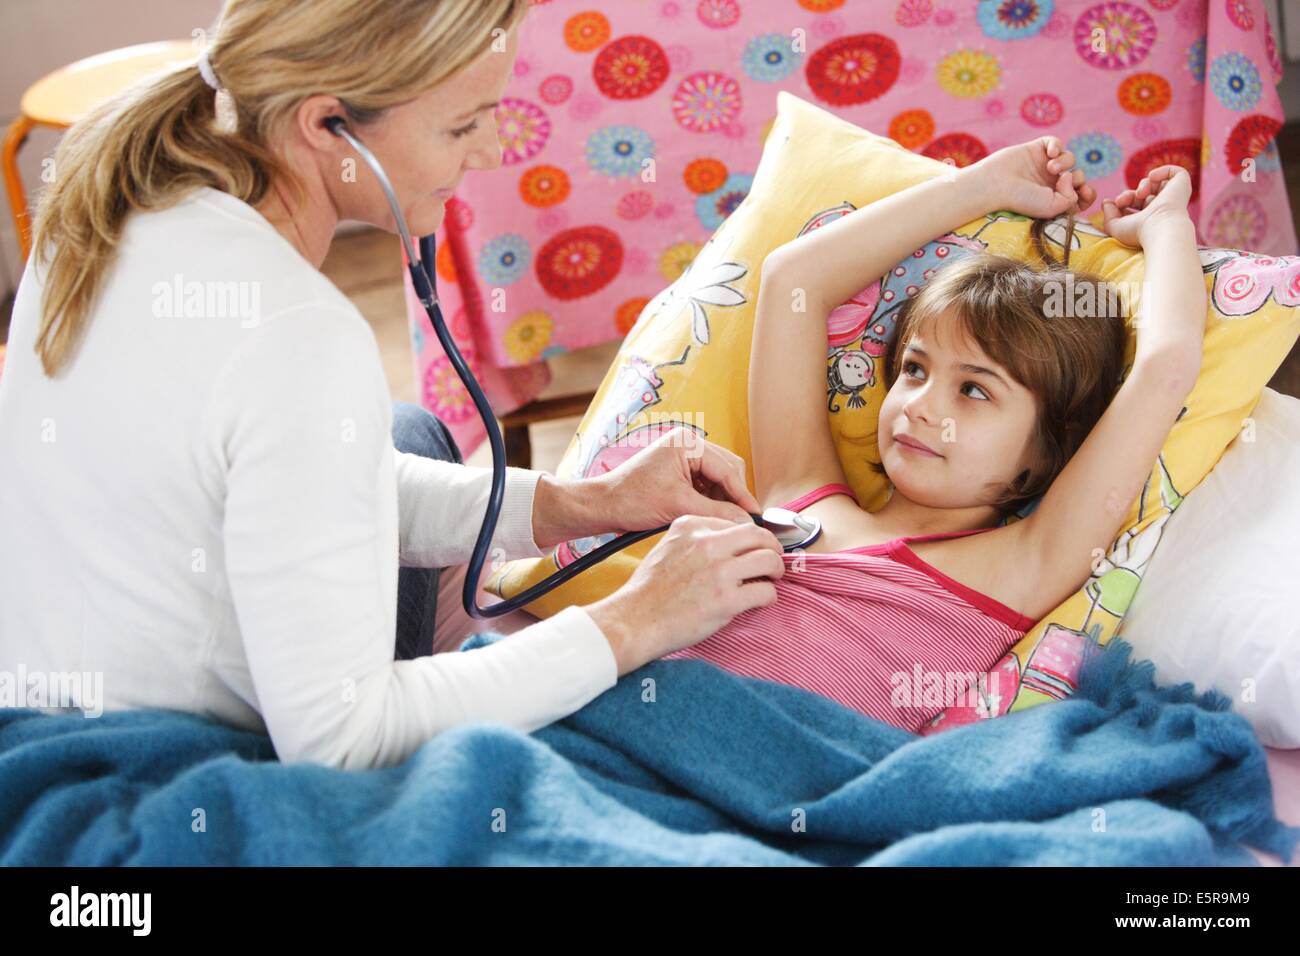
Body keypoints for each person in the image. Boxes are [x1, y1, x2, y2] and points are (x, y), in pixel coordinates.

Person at [0, 0, 785, 770]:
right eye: (462, 125)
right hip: (170, 769)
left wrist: (587, 503)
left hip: (46, 696)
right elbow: (344, 741)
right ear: (327, 127)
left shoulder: (112, 191)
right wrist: (634, 622)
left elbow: (313, 477)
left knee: (405, 432)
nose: (490, 154)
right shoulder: (296, 337)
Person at [671, 143, 1206, 731]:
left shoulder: (1023, 564)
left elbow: (1165, 364)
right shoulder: (798, 500)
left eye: (975, 390)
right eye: (915, 370)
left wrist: (1164, 226)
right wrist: (985, 185)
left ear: (1049, 447)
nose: (921, 408)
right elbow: (792, 278)